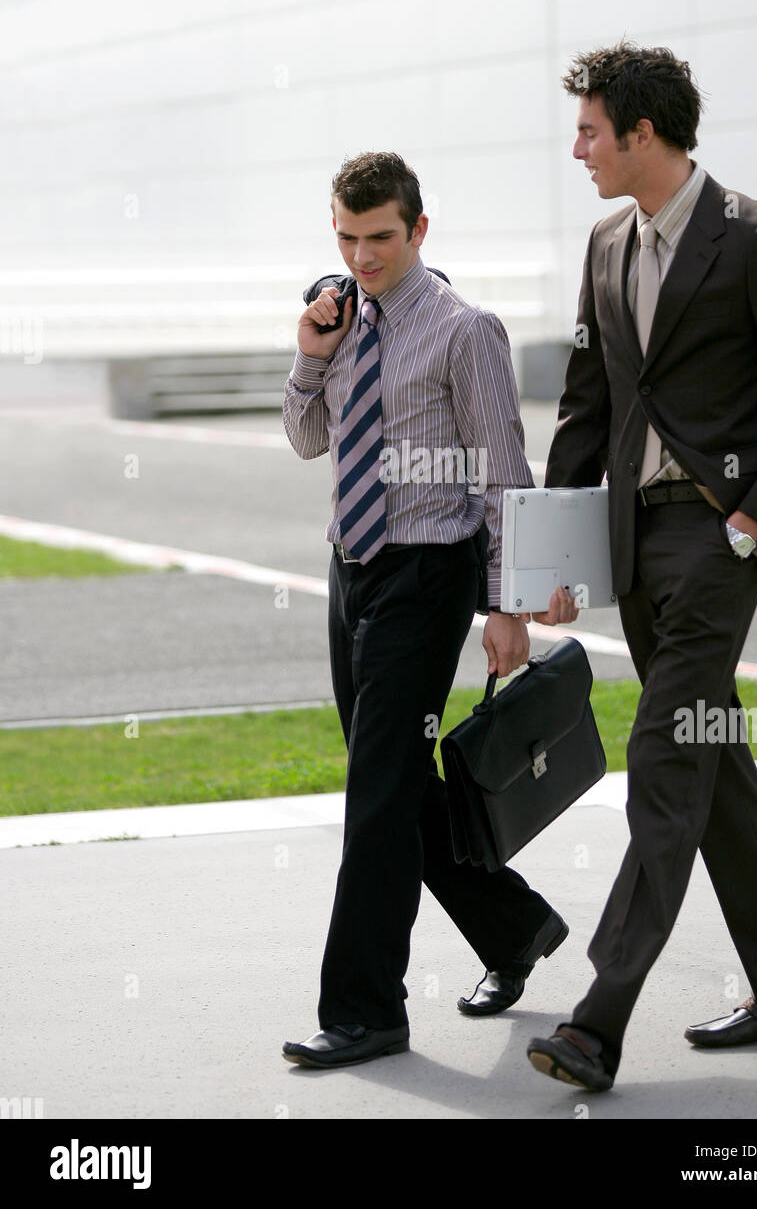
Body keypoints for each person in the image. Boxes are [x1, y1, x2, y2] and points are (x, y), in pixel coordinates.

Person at [525, 42, 757, 1093]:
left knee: (664, 760)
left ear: (641, 134)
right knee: (712, 762)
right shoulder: (603, 241)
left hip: (718, 540)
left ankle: (597, 1015)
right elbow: (587, 407)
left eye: (589, 131)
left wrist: (752, 524)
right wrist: (553, 557)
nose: (575, 148)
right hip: (636, 545)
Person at [281, 151, 570, 1069]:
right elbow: (306, 437)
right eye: (347, 237)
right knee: (395, 785)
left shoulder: (462, 330)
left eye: (380, 238)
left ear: (418, 230)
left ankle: (366, 1010)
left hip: (427, 577)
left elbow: (502, 475)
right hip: (352, 567)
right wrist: (308, 356)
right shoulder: (341, 319)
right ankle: (514, 926)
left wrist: (507, 605)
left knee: (374, 797)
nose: (362, 257)